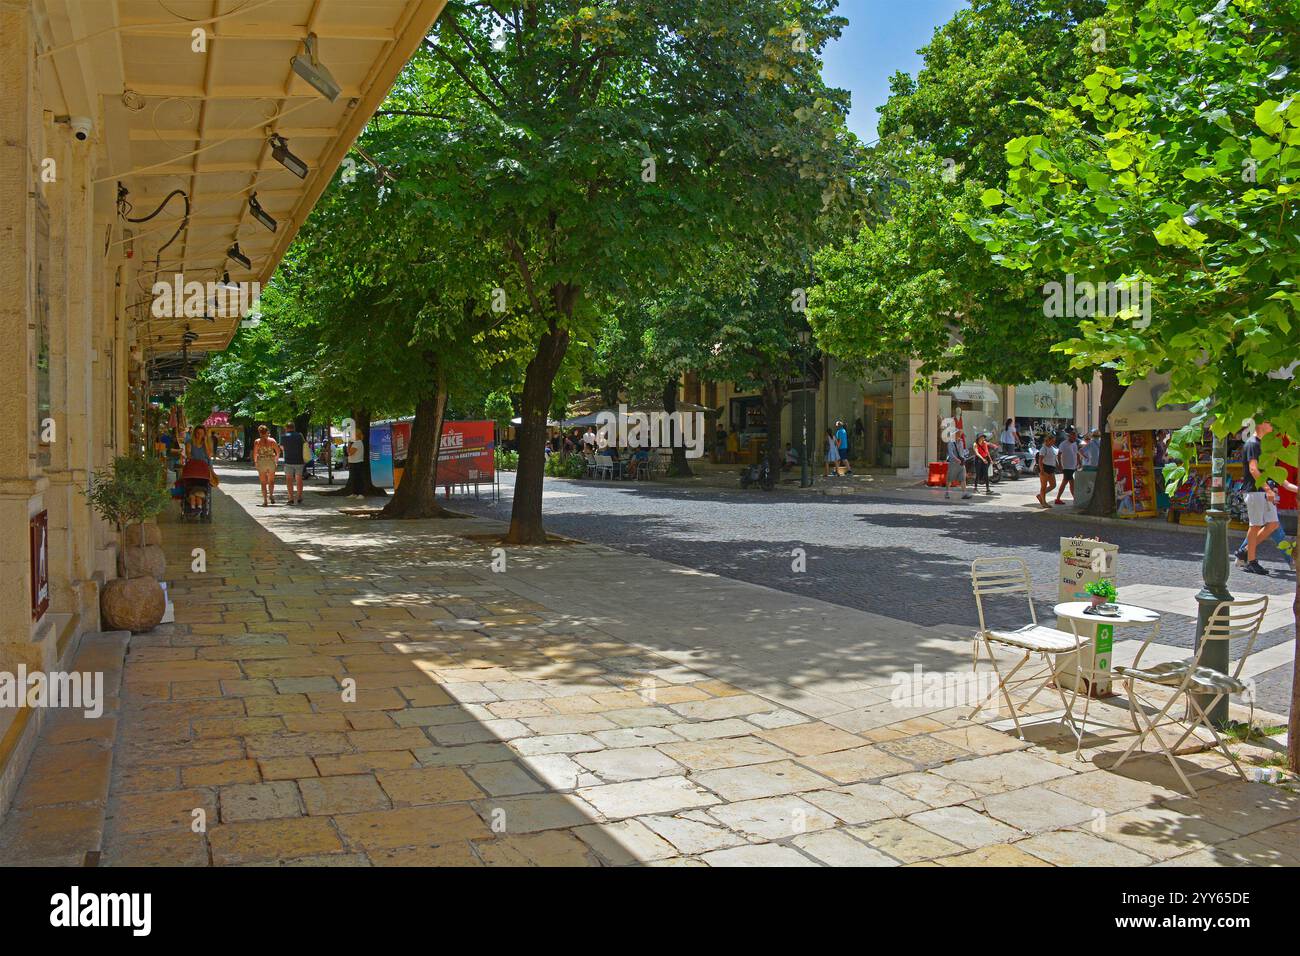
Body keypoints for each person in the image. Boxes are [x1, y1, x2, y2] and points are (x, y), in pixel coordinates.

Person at [1238, 423, 1289, 575]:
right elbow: (1253, 469)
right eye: (1269, 422)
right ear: (1260, 425)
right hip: (1255, 491)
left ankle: (1245, 551)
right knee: (1255, 525)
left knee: (1273, 524)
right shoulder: (1252, 443)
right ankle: (1251, 561)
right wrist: (1267, 488)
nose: (1272, 425)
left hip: (1263, 491)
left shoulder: (1260, 444)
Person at [181, 425, 216, 511]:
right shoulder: (189, 442)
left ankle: (200, 502)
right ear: (194, 433)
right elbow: (188, 454)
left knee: (204, 481)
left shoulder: (208, 442)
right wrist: (190, 456)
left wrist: (205, 443)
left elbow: (209, 455)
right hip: (193, 466)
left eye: (201, 433)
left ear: (204, 434)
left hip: (205, 466)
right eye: (197, 433)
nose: (199, 435)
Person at [253, 424, 281, 506]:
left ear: (259, 432)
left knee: (263, 482)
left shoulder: (257, 442)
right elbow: (278, 452)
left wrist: (255, 462)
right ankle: (271, 495)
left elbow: (255, 453)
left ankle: (265, 501)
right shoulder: (272, 441)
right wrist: (276, 461)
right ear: (267, 432)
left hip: (261, 461)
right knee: (271, 481)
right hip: (271, 461)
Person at [280, 421, 306, 504]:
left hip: (288, 461)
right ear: (294, 427)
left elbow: (282, 448)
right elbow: (304, 445)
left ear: (286, 428)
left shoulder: (283, 437)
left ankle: (290, 498)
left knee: (289, 480)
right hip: (299, 460)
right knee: (299, 479)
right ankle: (299, 496)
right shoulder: (300, 436)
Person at [1054, 428, 1079, 505]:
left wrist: (1079, 462)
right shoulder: (1063, 444)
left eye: (1075, 437)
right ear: (1069, 436)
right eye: (1073, 437)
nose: (1075, 439)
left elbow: (1076, 453)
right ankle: (1060, 498)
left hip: (1073, 466)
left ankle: (1059, 498)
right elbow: (1059, 455)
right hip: (1066, 466)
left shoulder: (1074, 443)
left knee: (1068, 482)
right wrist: (1059, 465)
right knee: (1069, 482)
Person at [945, 430, 972, 500]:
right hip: (953, 463)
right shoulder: (950, 443)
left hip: (961, 463)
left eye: (959, 433)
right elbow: (950, 454)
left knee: (963, 478)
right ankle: (947, 493)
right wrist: (957, 459)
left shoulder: (961, 442)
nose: (959, 435)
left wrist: (963, 458)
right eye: (958, 433)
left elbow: (962, 452)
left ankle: (964, 493)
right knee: (949, 479)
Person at [1036, 432, 1058, 508]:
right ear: (1048, 440)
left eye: (1054, 441)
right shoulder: (1043, 448)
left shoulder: (1052, 448)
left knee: (1053, 485)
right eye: (1052, 441)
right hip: (1045, 468)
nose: (1053, 442)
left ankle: (1040, 496)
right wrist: (1042, 470)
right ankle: (1044, 502)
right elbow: (1040, 460)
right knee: (1044, 486)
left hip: (1051, 468)